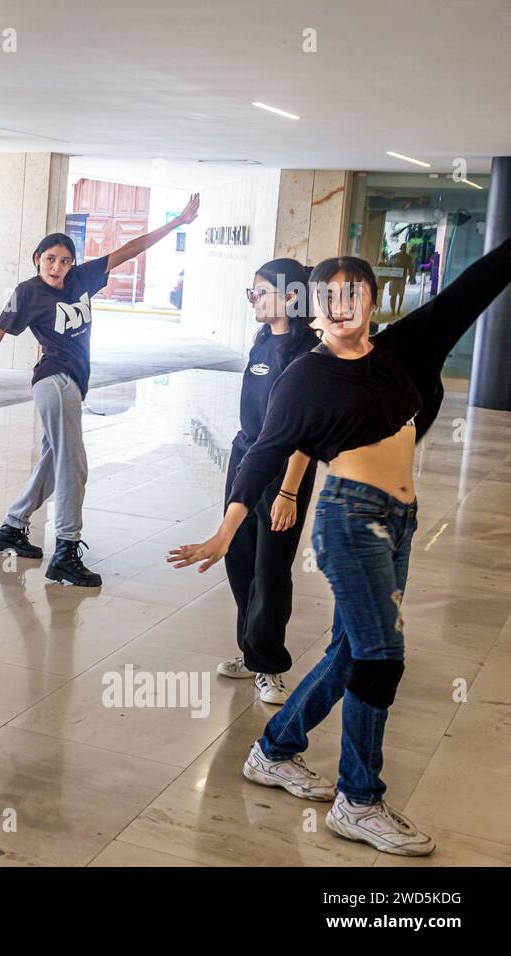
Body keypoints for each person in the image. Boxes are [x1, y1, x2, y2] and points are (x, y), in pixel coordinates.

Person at [167, 235, 511, 856]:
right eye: (329, 295)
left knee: (354, 650)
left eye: (354, 291)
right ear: (315, 309)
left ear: (375, 301)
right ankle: (358, 799)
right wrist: (226, 529)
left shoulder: (408, 347)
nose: (342, 303)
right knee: (382, 655)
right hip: (348, 522)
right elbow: (267, 450)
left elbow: (480, 281)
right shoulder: (305, 376)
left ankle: (274, 751)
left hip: (401, 517)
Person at [0, 195, 200, 586]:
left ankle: (12, 527)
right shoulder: (27, 293)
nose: (57, 267)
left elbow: (129, 249)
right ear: (36, 259)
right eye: (50, 260)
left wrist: (175, 222)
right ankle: (65, 550)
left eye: (64, 260)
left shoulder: (82, 279)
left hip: (75, 381)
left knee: (54, 460)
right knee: (74, 463)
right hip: (53, 380)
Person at [218, 259, 319, 705]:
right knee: (239, 559)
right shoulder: (262, 341)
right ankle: (251, 650)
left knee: (270, 568)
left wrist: (288, 491)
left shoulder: (311, 354)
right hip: (246, 458)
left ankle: (268, 664)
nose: (254, 300)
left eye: (261, 292)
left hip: (285, 468)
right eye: (252, 292)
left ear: (291, 297)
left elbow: (308, 432)